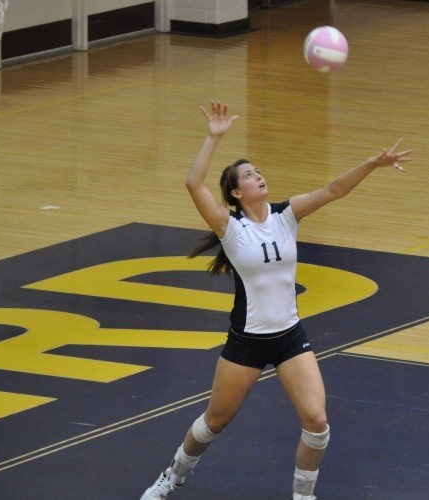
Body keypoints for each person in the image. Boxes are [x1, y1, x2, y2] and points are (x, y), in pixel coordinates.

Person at [140, 101, 411, 500]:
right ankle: (173, 475)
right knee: (216, 421)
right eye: (249, 175)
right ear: (236, 191)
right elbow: (194, 184)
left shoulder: (288, 214)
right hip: (247, 340)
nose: (259, 176)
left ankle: (303, 497)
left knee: (317, 421)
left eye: (259, 171)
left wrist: (373, 162)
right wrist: (213, 138)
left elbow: (334, 189)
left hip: (289, 336)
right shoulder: (229, 227)